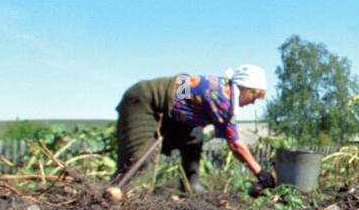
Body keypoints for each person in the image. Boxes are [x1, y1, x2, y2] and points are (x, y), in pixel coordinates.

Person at [112, 64, 274, 194]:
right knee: (138, 158)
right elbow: (235, 145)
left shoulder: (222, 88)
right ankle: (114, 191)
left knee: (195, 135)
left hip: (173, 112)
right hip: (144, 100)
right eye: (254, 97)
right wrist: (259, 172)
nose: (253, 102)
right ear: (244, 89)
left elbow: (186, 91)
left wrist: (179, 108)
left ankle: (190, 184)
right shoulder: (223, 99)